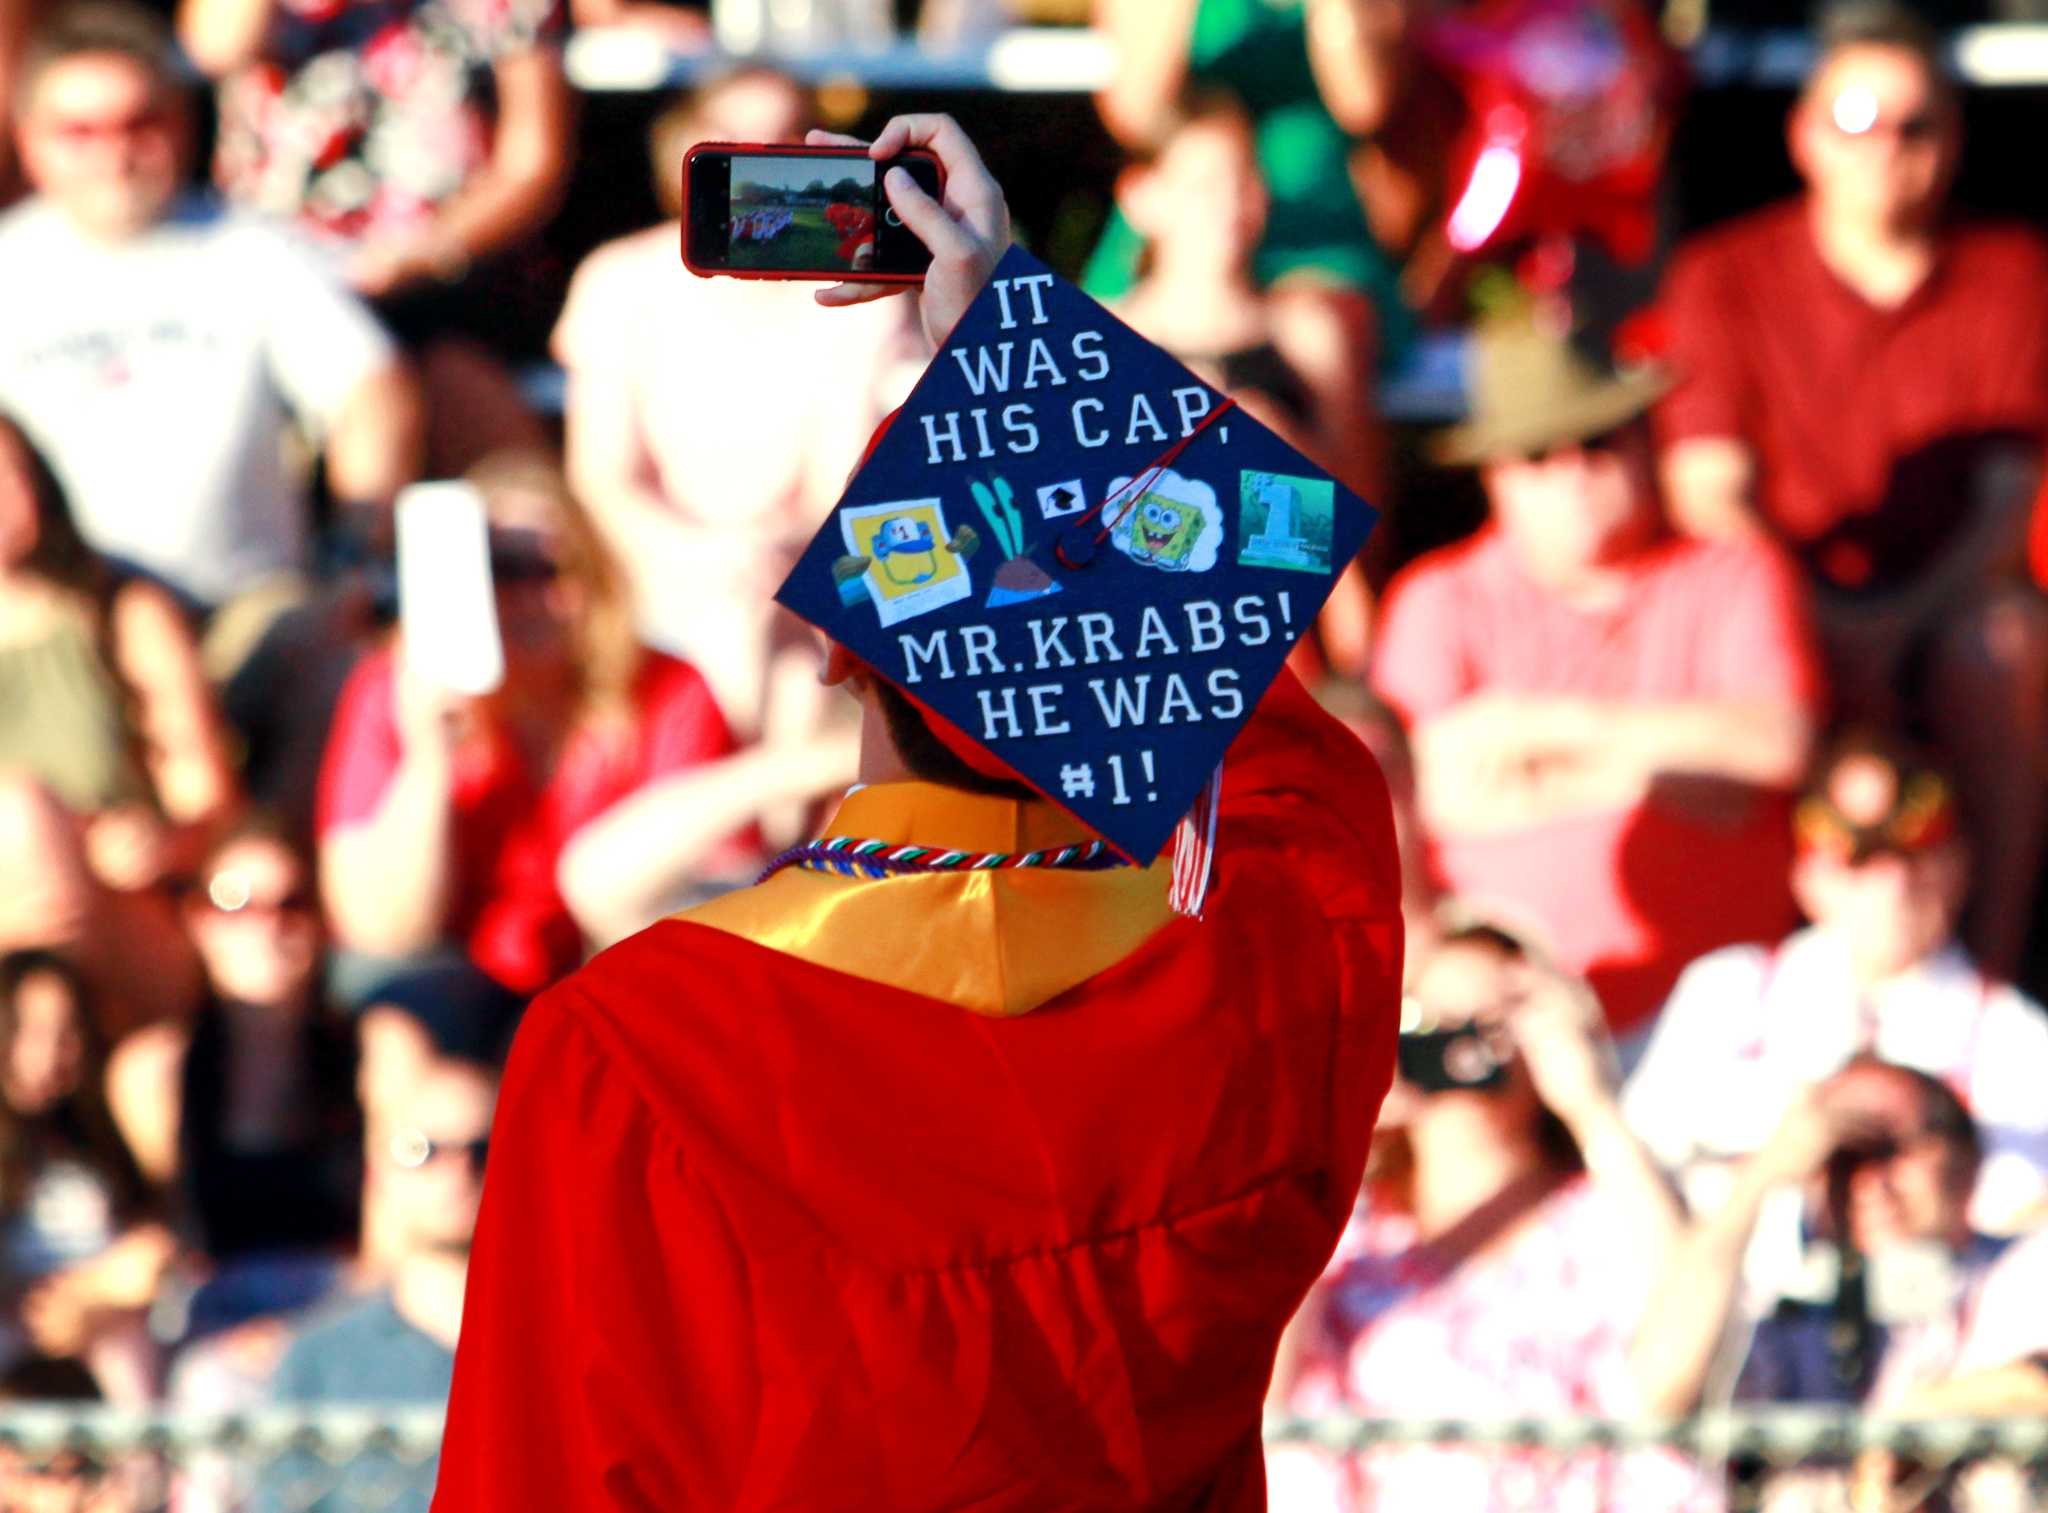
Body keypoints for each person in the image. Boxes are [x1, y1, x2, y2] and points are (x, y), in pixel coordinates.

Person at [433, 114, 1405, 1508]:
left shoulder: (636, 1048)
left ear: (836, 643)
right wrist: (1030, 356)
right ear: (1148, 677)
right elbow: (1310, 777)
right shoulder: (1243, 995)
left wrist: (1013, 381)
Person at [1656, 0, 2048, 979]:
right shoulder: (1721, 273)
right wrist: (1819, 623)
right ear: (1800, 137)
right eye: (1854, 121)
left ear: (1952, 139)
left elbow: (2008, 507)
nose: (1883, 148)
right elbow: (1707, 494)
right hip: (1777, 610)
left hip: (1941, 610)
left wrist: (1887, 627)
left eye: (1910, 124)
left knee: (2001, 649)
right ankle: (1737, 983)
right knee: (1725, 664)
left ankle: (1990, 985)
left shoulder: (2011, 276)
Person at [1370, 320, 1825, 1044]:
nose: (1573, 470)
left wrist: (1537, 729)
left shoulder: (1735, 571)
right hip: (1500, 1020)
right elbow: (1418, 791)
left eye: (1597, 442)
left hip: (1732, 1023)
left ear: (1644, 442)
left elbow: (1775, 745)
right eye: (1538, 454)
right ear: (1495, 475)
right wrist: (1675, 770)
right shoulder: (1437, 598)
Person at [316, 452, 813, 998]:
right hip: (461, 975)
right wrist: (428, 757)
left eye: (553, 567)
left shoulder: (667, 689)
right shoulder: (391, 690)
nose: (531, 597)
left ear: (596, 576)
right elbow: (385, 932)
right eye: (499, 569)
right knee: (401, 1025)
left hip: (620, 977)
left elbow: (717, 889)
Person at [0, 0, 418, 633]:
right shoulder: (11, 266)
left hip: (248, 617)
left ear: (181, 123)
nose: (116, 154)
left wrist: (355, 552)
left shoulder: (251, 250)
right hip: (59, 625)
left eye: (140, 124)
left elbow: (371, 393)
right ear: (28, 138)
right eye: (80, 132)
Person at [1266, 926, 1701, 1512]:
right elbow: (1268, 1385)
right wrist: (1346, 1130)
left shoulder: (1606, 1207)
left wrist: (1591, 1102)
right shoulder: (1349, 1224)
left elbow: (1692, 1317)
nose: (1463, 1047)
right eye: (1434, 1021)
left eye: (1498, 1019)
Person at [554, 65, 921, 739]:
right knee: (755, 633)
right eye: (737, 139)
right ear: (688, 151)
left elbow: (834, 489)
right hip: (652, 564)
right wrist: (713, 557)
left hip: (800, 563)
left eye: (785, 140)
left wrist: (766, 561)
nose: (763, 160)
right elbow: (603, 479)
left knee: (784, 632)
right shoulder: (619, 283)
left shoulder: (858, 302)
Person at [1624, 732, 2048, 1247]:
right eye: (1859, 860)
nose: (1893, 884)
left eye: (1916, 853)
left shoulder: (2016, 1037)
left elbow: (2022, 1211)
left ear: (1959, 866)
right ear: (1807, 878)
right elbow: (1638, 1153)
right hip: (1742, 1301)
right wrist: (1801, 1128)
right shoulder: (1731, 992)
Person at [180, 0, 571, 476]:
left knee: (458, 394)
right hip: (279, 273)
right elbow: (217, 46)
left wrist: (422, 253)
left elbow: (531, 165)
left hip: (450, 275)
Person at [1110, 92, 1379, 675]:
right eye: (1206, 183)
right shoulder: (1102, 338)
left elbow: (1358, 516)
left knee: (1251, 431)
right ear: (1142, 196)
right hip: (1144, 615)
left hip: (1290, 625)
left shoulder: (1308, 330)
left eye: (1244, 180)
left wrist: (1263, 439)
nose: (1230, 203)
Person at [1634, 1059, 2048, 1431]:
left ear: (1966, 1157)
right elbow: (1657, 1392)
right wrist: (1764, 1173)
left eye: (1888, 1149)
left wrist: (1918, 1421)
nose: (1870, 1182)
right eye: (1842, 1159)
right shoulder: (1785, 1297)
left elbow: (2035, 1385)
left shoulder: (2023, 1268)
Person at [0, 413, 233, 1034]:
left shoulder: (121, 616)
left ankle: (52, 1040)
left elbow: (207, 802)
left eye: (13, 473)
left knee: (23, 818)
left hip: (121, 921)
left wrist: (158, 844)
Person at [103, 813, 360, 1264]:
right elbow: (175, 1233)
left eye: (291, 903)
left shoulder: (375, 1051)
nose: (266, 924)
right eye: (234, 902)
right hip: (218, 1312)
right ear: (196, 919)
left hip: (342, 1304)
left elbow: (392, 1236)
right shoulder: (154, 1073)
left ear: (321, 920)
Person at [253, 1055, 497, 1513]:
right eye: (421, 1150)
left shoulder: (575, 1349)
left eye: (485, 1148)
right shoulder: (318, 1359)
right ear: (376, 1169)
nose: (457, 1171)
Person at [0, 952, 173, 1405]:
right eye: (27, 1031)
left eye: (67, 1032)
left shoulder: (98, 1140)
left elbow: (153, 1245)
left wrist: (97, 1292)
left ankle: (144, 1467)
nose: (48, 1055)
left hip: (106, 1344)